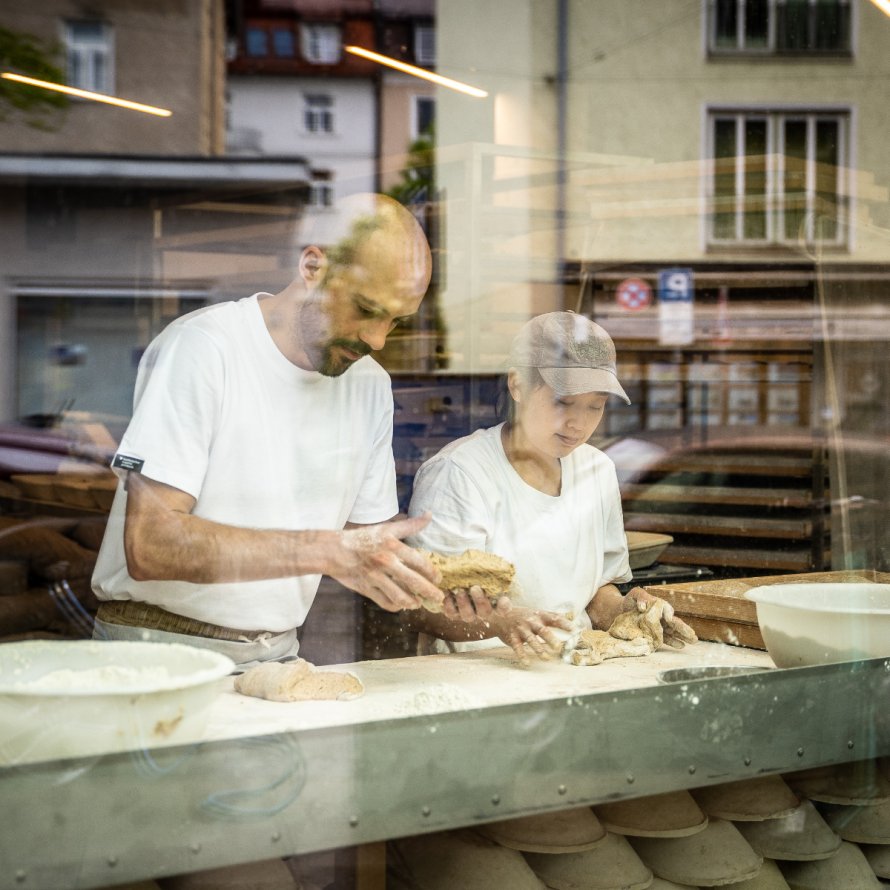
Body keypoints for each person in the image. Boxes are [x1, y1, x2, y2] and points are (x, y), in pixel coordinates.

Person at [91, 193, 450, 667]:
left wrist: (446, 595)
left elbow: (365, 548)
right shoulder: (204, 348)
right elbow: (151, 546)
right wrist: (324, 550)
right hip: (154, 649)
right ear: (313, 266)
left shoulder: (369, 385)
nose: (377, 339)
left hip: (277, 656)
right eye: (366, 308)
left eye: (396, 322)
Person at [405, 310, 695, 660]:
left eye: (595, 406)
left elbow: (596, 593)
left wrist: (626, 611)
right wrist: (502, 621)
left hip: (572, 668)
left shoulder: (597, 470)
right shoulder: (460, 473)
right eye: (564, 402)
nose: (578, 423)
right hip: (477, 675)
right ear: (517, 385)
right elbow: (421, 607)